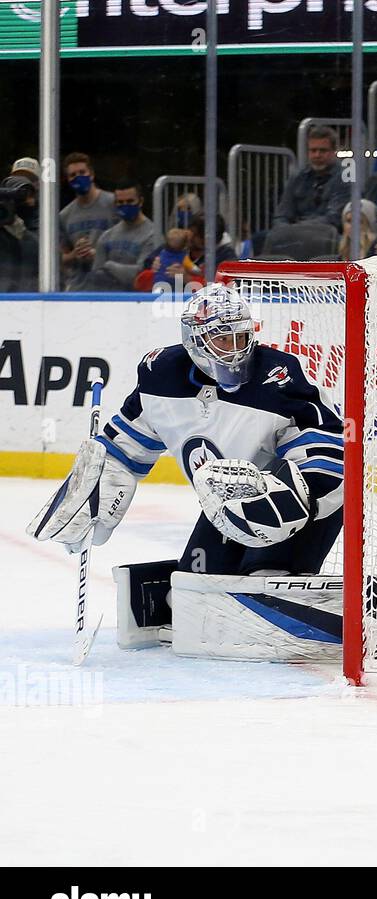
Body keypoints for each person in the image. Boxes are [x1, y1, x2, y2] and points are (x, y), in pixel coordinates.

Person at [27, 284, 346, 649]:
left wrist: (301, 499)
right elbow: (124, 448)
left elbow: (327, 449)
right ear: (195, 341)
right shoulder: (160, 375)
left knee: (260, 587)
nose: (237, 349)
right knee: (187, 602)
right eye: (223, 340)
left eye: (242, 336)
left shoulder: (278, 376)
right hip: (222, 509)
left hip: (295, 511)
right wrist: (97, 492)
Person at [58, 152, 116, 292]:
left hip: (111, 287)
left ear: (91, 174)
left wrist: (98, 254)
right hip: (79, 290)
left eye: (82, 172)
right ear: (68, 180)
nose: (78, 177)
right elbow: (60, 259)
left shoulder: (113, 203)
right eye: (73, 175)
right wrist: (74, 255)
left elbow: (128, 239)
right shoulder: (64, 215)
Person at [89, 182, 162, 291]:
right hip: (108, 300)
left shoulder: (153, 235)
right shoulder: (106, 236)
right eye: (120, 202)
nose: (125, 205)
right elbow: (97, 276)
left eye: (130, 201)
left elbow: (141, 275)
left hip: (138, 302)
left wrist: (109, 266)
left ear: (140, 201)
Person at [274, 125, 349, 229]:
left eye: (323, 151)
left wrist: (298, 228)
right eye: (313, 150)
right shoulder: (298, 176)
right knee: (259, 238)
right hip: (295, 232)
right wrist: (285, 229)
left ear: (334, 152)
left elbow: (334, 218)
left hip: (326, 234)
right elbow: (281, 215)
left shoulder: (345, 177)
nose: (317, 155)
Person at [0, 175, 38, 292]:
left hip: (29, 300)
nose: (29, 201)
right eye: (22, 197)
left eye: (31, 195)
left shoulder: (39, 235)